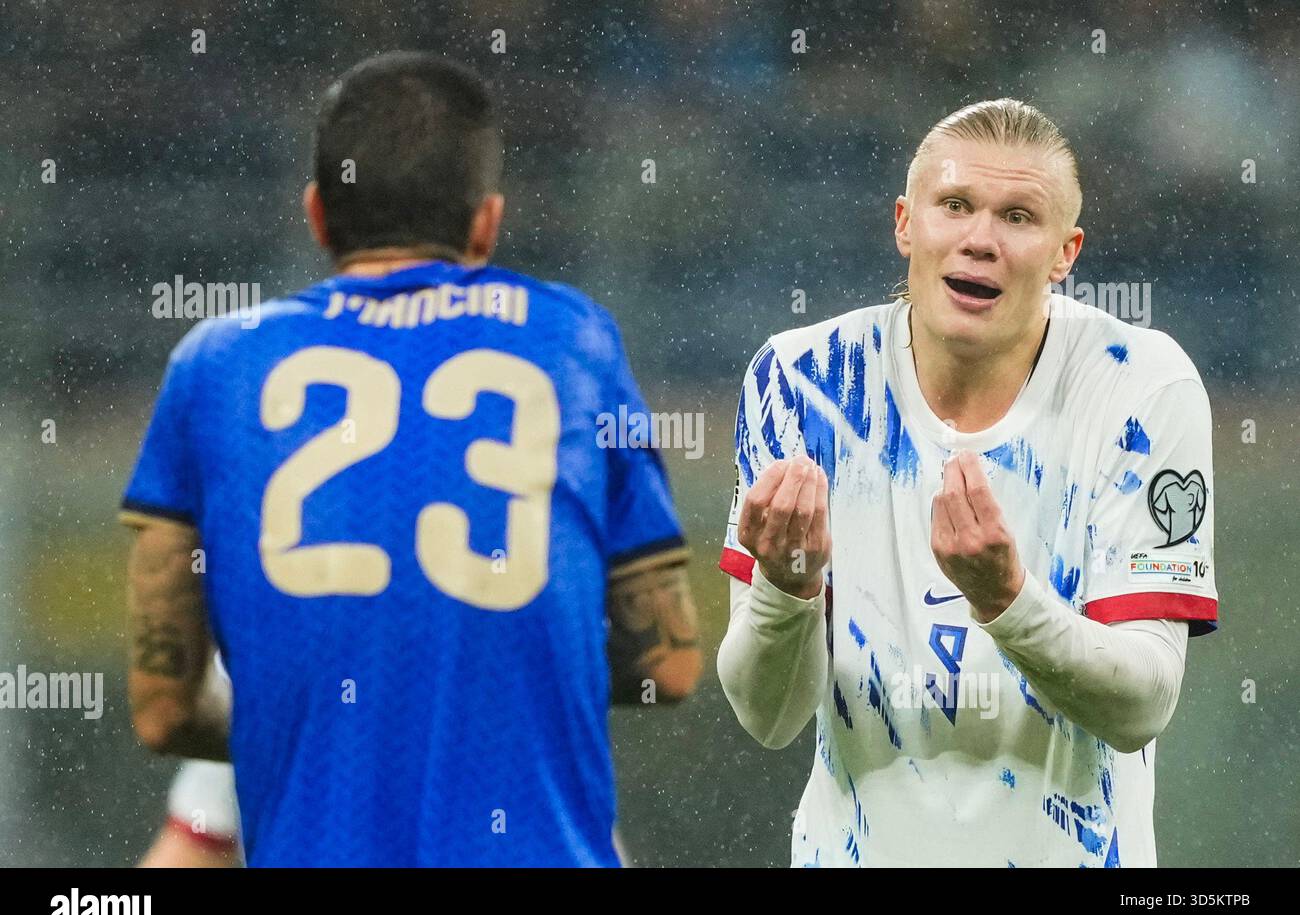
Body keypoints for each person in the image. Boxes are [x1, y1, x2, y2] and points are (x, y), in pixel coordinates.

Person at [120, 51, 700, 867]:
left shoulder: (213, 364)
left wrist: (332, 716)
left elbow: (161, 708)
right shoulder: (574, 339)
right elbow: (666, 664)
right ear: (486, 224)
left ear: (318, 216)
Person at [717, 99, 1217, 867]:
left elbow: (1144, 703)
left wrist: (1008, 602)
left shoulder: (1141, 389)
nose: (980, 239)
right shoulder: (803, 382)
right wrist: (787, 589)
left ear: (1064, 252)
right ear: (905, 224)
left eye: (1018, 216)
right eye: (955, 205)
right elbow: (768, 715)